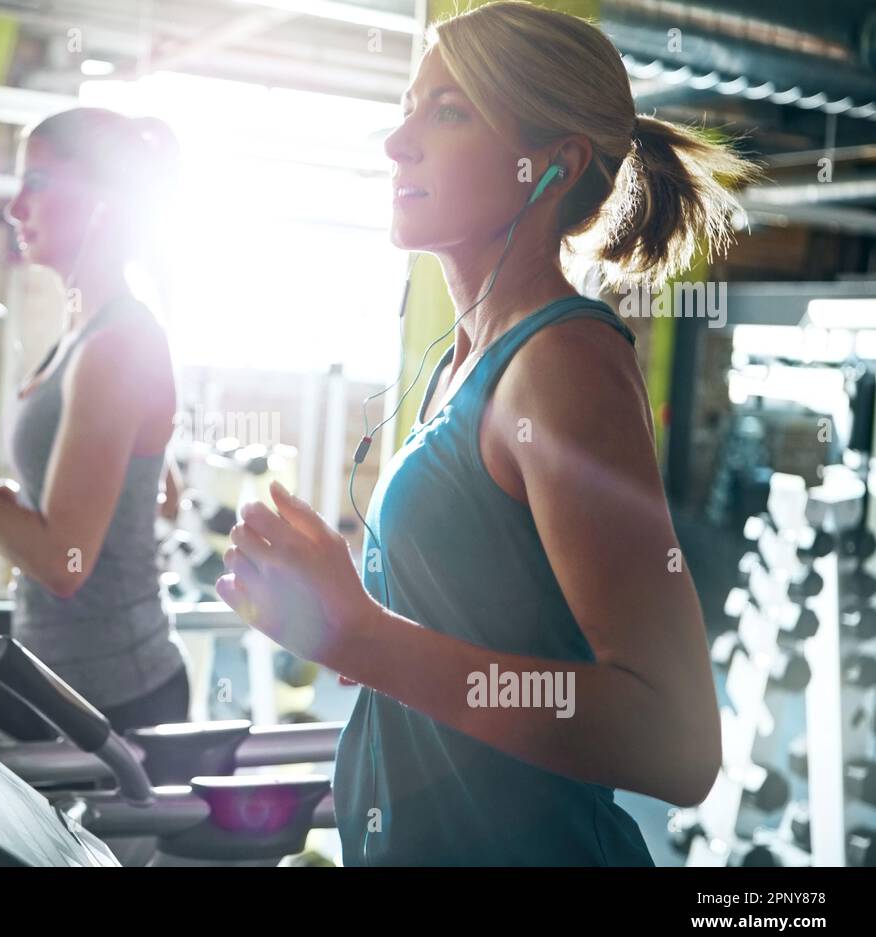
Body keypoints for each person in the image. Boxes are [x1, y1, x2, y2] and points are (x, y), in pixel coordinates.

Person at [215, 0, 757, 865]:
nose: (398, 143)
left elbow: (676, 743)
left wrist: (362, 635)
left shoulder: (562, 364)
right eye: (406, 109)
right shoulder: (461, 363)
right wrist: (342, 614)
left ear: (547, 167)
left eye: (449, 111)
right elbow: (475, 640)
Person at [0, 107, 190, 739]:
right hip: (59, 669)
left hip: (110, 695)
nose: (15, 208)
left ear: (105, 203)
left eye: (39, 183)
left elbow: (62, 563)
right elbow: (151, 496)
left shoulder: (116, 343)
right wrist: (15, 498)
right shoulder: (84, 330)